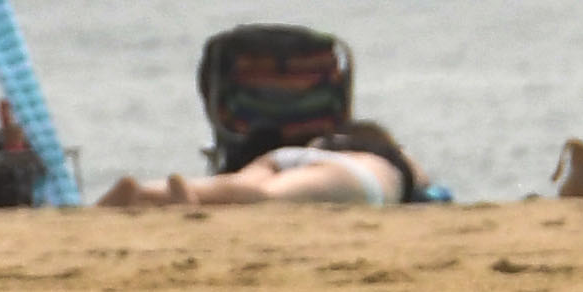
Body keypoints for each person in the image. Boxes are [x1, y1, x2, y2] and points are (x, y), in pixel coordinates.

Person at [96, 120, 421, 209]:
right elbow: (428, 189)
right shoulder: (392, 158)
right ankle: (172, 197)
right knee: (269, 196)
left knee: (233, 186)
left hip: (290, 154)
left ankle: (143, 191)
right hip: (353, 176)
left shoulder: (330, 140)